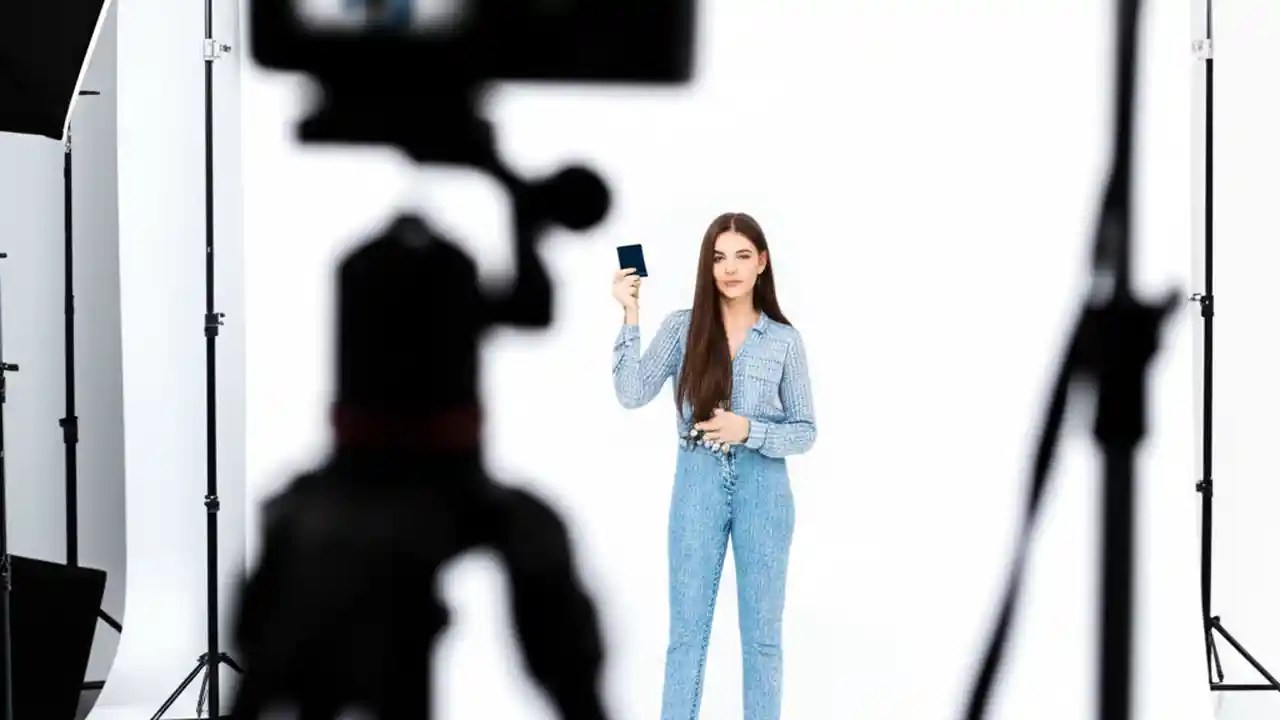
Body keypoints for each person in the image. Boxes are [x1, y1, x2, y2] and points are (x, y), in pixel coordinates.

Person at [610, 212, 816, 720]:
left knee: (763, 640)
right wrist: (630, 314)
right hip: (697, 484)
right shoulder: (683, 328)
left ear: (762, 263)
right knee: (686, 638)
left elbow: (806, 430)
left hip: (764, 490)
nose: (730, 268)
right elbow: (632, 392)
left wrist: (750, 429)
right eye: (719, 257)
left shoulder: (783, 341)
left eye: (743, 255)